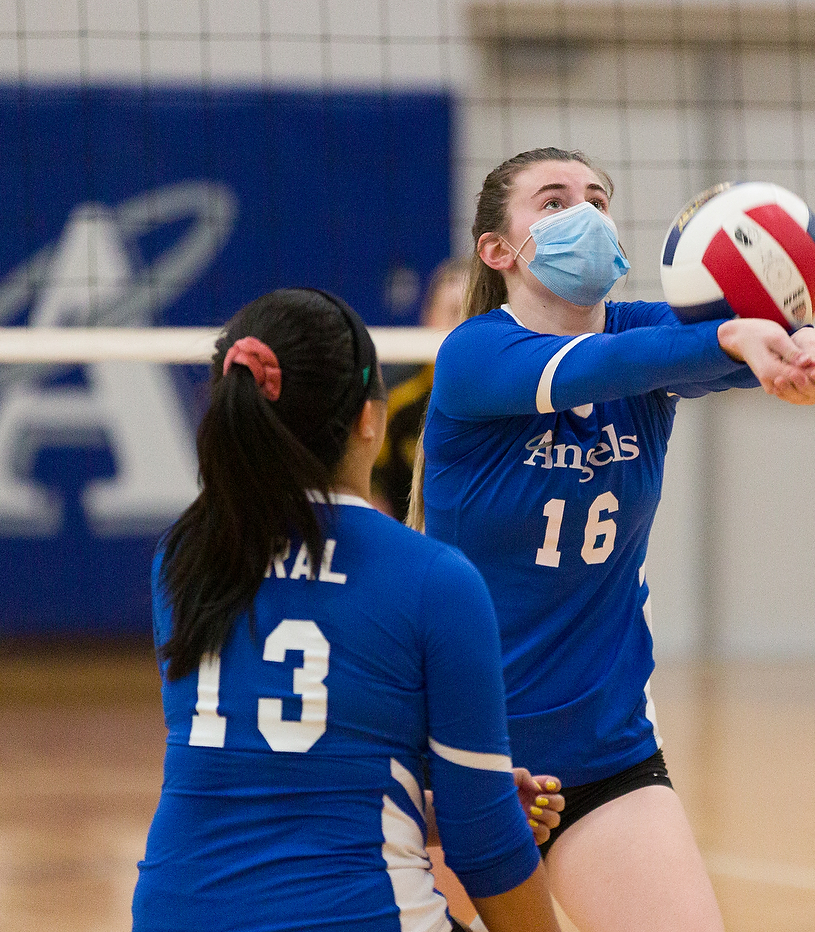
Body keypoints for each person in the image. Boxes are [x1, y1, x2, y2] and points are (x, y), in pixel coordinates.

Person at [413, 147, 815, 932]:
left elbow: (714, 352)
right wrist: (735, 339)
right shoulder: (475, 354)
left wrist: (796, 355)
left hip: (603, 758)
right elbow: (617, 364)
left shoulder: (647, 333)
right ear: (497, 249)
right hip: (460, 768)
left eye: (597, 198)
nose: (584, 214)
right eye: (554, 202)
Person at [132, 288, 562, 932]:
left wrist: (431, 810)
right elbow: (486, 842)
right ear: (369, 419)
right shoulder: (433, 580)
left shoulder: (185, 556)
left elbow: (269, 775)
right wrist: (482, 806)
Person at [373, 258, 470, 520]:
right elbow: (372, 489)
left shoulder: (507, 395)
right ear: (429, 317)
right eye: (454, 313)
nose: (464, 326)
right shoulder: (395, 395)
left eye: (474, 314)